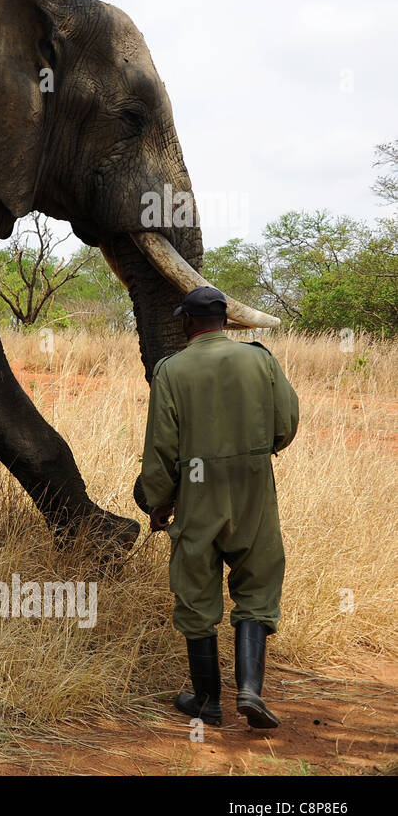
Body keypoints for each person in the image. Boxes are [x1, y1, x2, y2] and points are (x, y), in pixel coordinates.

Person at [134, 286, 299, 729]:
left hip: (197, 487)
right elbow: (286, 423)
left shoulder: (172, 370)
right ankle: (250, 689)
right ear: (226, 321)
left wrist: (158, 502)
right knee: (258, 585)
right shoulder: (260, 359)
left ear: (188, 322)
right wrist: (254, 454)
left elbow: (162, 446)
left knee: (196, 589)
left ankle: (208, 701)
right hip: (253, 486)